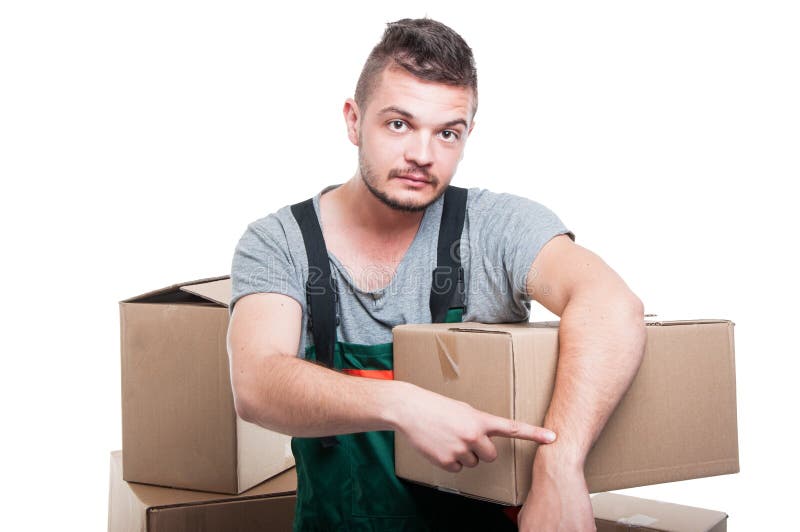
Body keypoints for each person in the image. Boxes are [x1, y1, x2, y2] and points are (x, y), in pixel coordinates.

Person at [228, 17, 646, 532]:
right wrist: (403, 404)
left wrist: (561, 467)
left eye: (447, 133)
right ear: (354, 120)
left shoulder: (495, 227)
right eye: (399, 124)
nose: (422, 156)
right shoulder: (280, 242)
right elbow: (256, 383)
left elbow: (611, 305)